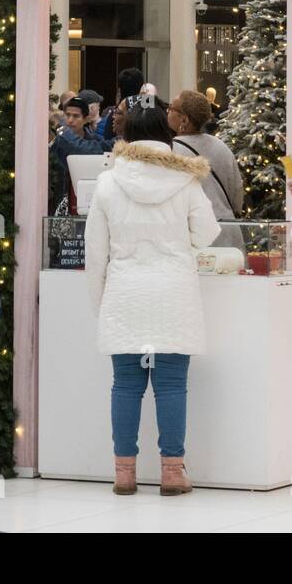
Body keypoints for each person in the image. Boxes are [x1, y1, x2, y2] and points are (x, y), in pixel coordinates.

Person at [84, 103, 221, 496]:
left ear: (126, 138)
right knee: (172, 385)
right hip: (173, 291)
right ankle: (172, 473)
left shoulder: (108, 183)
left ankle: (124, 474)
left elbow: (96, 252)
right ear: (167, 135)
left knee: (125, 386)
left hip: (125, 293)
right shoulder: (186, 181)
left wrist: (100, 304)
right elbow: (208, 233)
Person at [167, 91, 244, 221]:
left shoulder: (172, 151)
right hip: (228, 228)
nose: (167, 111)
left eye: (171, 108)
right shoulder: (221, 146)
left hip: (197, 230)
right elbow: (237, 192)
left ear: (184, 120)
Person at [49, 95, 105, 215]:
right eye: (67, 115)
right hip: (59, 206)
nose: (70, 120)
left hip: (87, 206)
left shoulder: (95, 143)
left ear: (86, 119)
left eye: (76, 116)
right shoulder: (56, 142)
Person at [97, 67, 145, 148]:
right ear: (142, 87)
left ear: (119, 90)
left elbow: (107, 141)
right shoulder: (147, 109)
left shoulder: (113, 114)